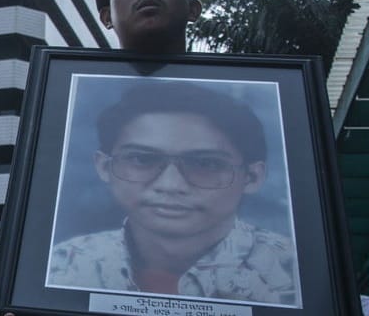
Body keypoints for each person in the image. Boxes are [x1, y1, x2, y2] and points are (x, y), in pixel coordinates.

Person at [0, 0, 203, 315]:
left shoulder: (257, 100)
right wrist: (11, 296)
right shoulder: (61, 110)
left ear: (193, 7)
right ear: (106, 16)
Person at [48, 81, 296, 304]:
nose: (170, 185)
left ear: (252, 177)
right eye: (141, 159)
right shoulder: (64, 264)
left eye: (206, 163)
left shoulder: (295, 272)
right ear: (105, 167)